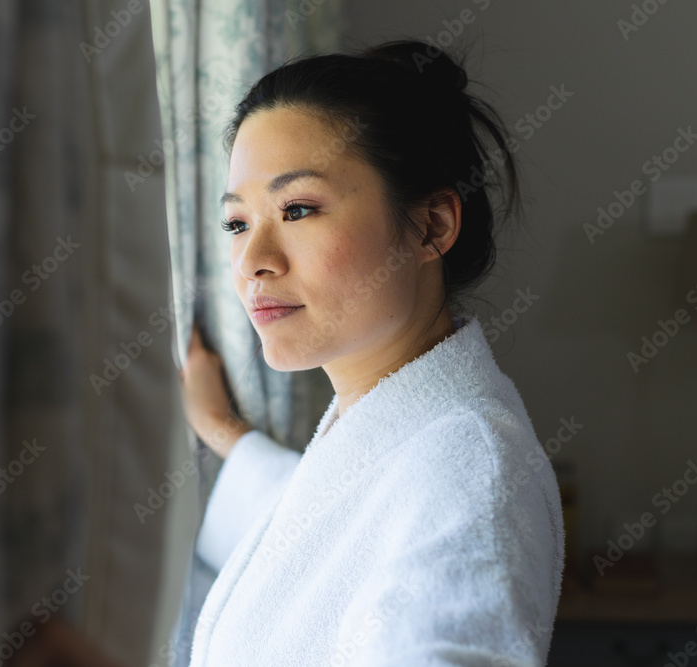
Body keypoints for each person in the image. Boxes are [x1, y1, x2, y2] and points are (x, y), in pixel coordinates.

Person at [177, 39, 564, 666]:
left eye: (297, 209)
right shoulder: (396, 436)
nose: (252, 263)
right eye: (237, 223)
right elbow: (336, 528)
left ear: (433, 226)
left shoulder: (469, 466)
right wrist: (226, 432)